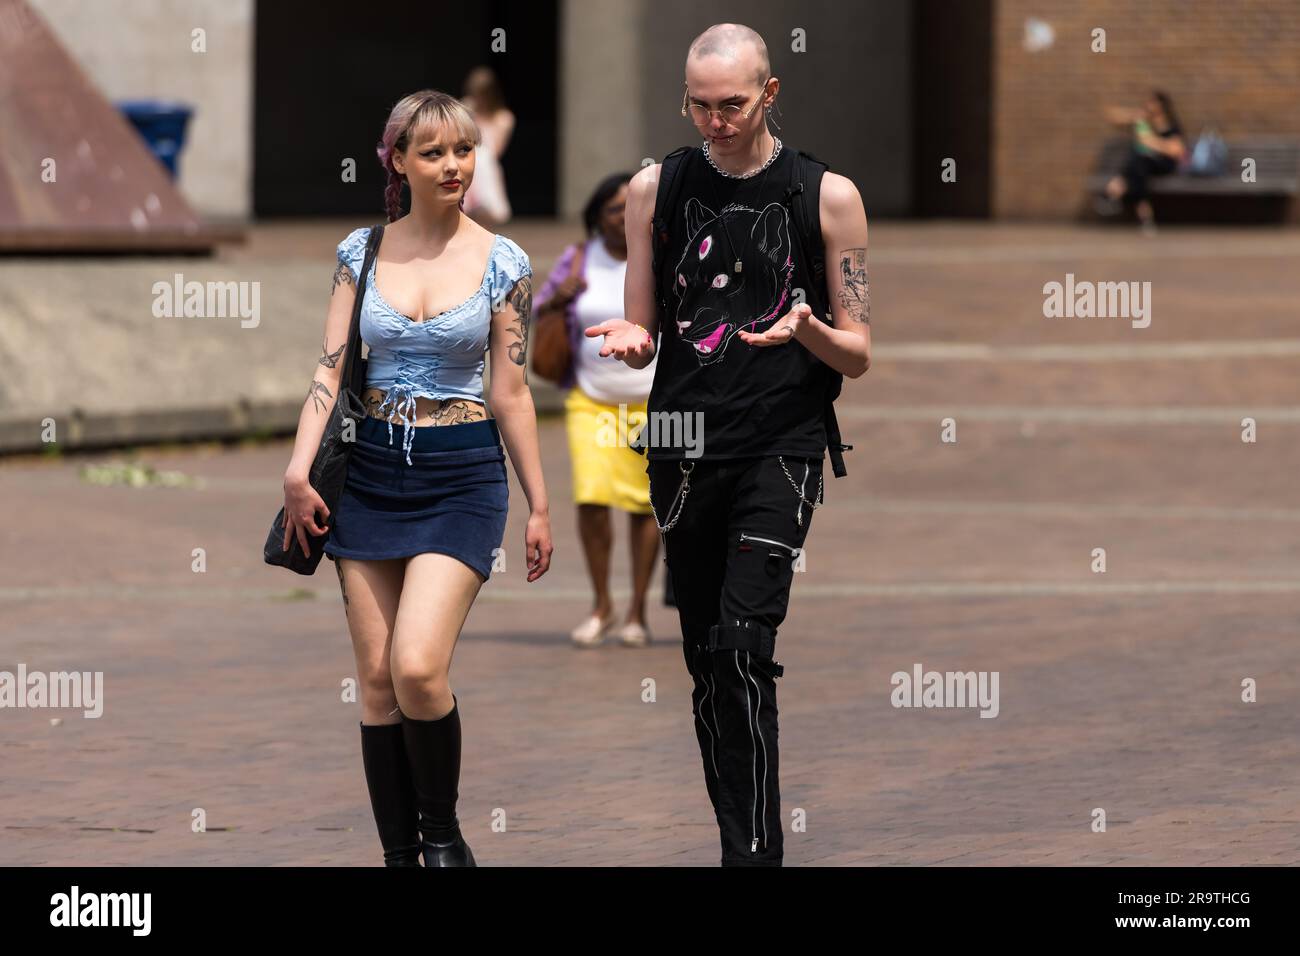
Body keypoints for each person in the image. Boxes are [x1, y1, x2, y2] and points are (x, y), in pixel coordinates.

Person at [586, 23, 870, 865]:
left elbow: (859, 353)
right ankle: (737, 834)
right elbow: (644, 320)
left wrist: (810, 327)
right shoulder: (653, 190)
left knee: (746, 643)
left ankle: (754, 855)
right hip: (679, 440)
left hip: (781, 440)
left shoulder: (826, 195)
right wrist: (635, 342)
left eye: (733, 105)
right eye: (699, 106)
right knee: (709, 662)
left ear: (770, 94)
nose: (715, 121)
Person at [278, 89, 553, 866]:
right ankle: (401, 854)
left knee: (417, 669)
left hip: (461, 475)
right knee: (375, 682)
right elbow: (329, 375)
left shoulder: (504, 261)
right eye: (433, 152)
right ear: (397, 160)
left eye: (464, 150)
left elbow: (511, 390)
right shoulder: (359, 253)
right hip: (367, 474)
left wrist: (539, 506)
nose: (454, 166)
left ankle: (443, 839)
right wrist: (299, 470)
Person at [536, 173, 661, 648]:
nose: (623, 215)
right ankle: (601, 603)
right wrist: (558, 300)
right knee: (590, 497)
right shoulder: (579, 258)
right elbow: (538, 310)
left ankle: (637, 612)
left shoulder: (663, 255)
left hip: (654, 402)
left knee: (644, 505)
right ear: (597, 216)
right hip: (590, 399)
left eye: (632, 206)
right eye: (613, 208)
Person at [1098, 90, 1188, 235]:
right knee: (1139, 165)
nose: (1149, 105)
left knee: (1138, 160)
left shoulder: (1171, 126)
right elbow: (1113, 116)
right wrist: (1134, 115)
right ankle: (1145, 217)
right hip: (1143, 167)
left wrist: (1153, 143)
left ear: (1162, 106)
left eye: (1153, 102)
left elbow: (1177, 151)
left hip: (1164, 165)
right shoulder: (1145, 123)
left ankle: (1114, 191)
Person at [460, 66, 515, 226]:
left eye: (482, 94)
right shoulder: (465, 108)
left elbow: (495, 151)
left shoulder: (504, 118)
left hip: (485, 167)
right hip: (465, 161)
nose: (478, 99)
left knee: (488, 213)